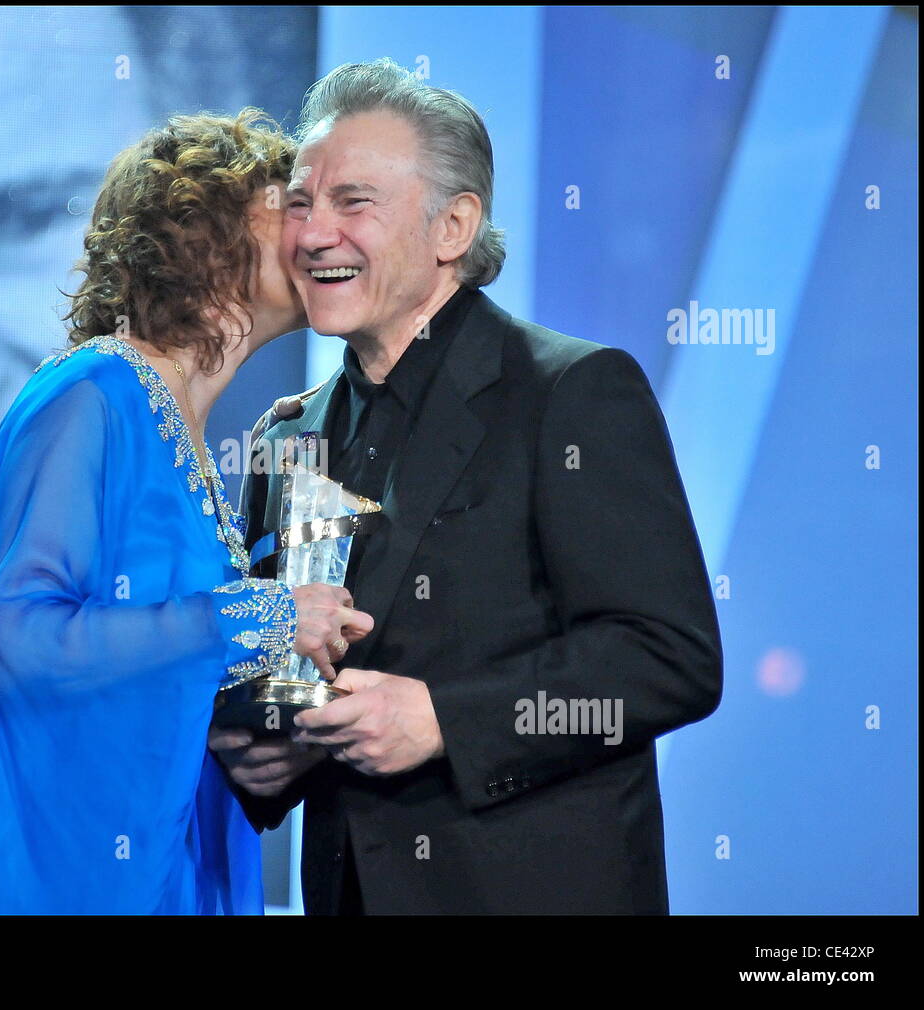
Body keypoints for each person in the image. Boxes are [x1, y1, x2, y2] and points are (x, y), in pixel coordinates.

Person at [209, 59, 723, 914]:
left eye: (353, 203)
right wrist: (269, 744)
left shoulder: (570, 393)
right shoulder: (287, 436)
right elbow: (288, 664)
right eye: (301, 203)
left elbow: (668, 658)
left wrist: (447, 719)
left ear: (454, 226)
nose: (313, 233)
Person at [0, 109, 372, 914]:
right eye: (291, 209)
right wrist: (259, 617)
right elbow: (16, 635)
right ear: (206, 232)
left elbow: (135, 663)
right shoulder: (94, 390)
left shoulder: (178, 420)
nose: (318, 234)